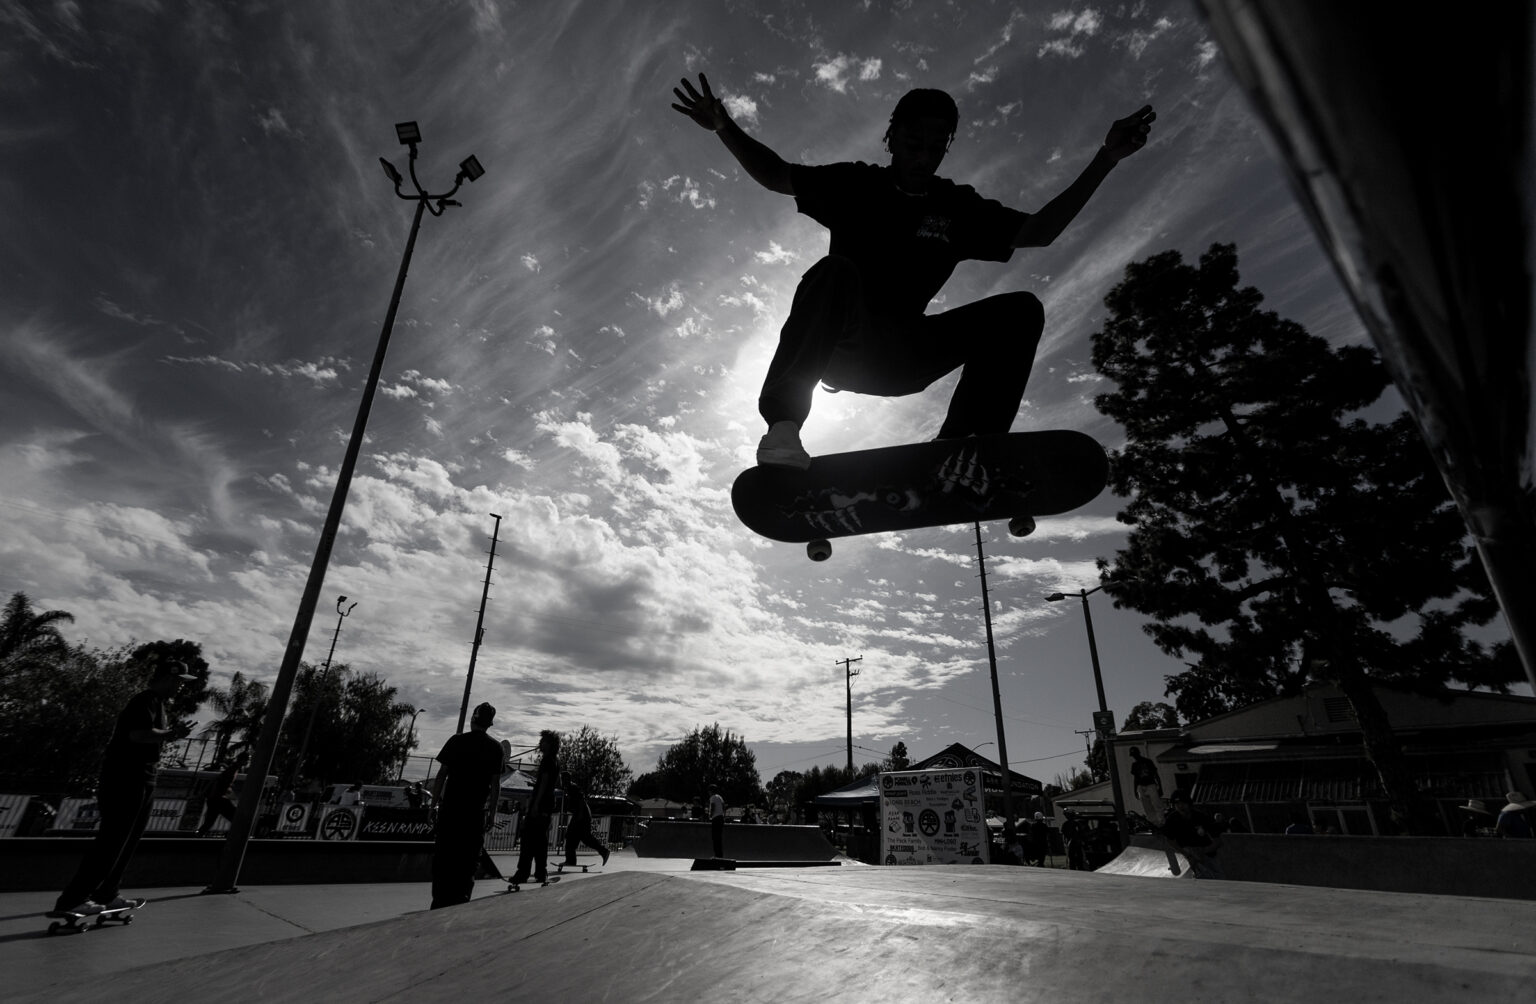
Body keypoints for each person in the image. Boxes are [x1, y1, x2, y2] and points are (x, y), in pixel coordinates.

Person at [671, 73, 1155, 469]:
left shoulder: (956, 207)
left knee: (1019, 311)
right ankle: (783, 430)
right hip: (845, 349)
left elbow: (1039, 230)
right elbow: (777, 174)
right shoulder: (856, 184)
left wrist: (1106, 158)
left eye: (935, 147)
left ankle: (963, 451)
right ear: (892, 137)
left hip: (904, 354)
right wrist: (724, 128)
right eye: (913, 142)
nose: (923, 157)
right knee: (834, 271)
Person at [52, 658, 196, 916]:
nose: (181, 688)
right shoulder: (145, 700)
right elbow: (136, 734)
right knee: (112, 839)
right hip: (125, 777)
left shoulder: (161, 705)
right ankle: (73, 898)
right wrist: (171, 734)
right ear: (167, 678)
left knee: (128, 841)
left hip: (145, 777)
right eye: (179, 683)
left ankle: (107, 893)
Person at [429, 702, 504, 909]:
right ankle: (461, 901)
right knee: (468, 861)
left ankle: (439, 901)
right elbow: (496, 785)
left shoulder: (456, 740)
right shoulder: (495, 748)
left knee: (445, 857)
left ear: (472, 718)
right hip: (474, 814)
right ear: (490, 724)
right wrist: (492, 814)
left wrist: (433, 804)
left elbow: (442, 775)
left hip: (450, 811)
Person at [510, 730, 561, 886]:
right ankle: (540, 872)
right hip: (547, 805)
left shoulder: (547, 760)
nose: (540, 744)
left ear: (550, 745)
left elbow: (545, 781)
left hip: (540, 805)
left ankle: (522, 873)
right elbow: (553, 783)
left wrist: (535, 804)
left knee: (528, 839)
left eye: (543, 741)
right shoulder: (556, 761)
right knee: (540, 841)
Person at [1161, 790, 1223, 879]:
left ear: (1189, 804)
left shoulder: (1200, 816)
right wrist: (1186, 854)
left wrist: (1203, 851)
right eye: (1177, 804)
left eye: (1183, 803)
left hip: (1207, 853)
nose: (1180, 807)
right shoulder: (1172, 819)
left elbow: (1218, 841)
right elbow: (1169, 840)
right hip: (1188, 853)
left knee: (1218, 877)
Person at [560, 774, 610, 869]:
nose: (560, 781)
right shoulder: (569, 787)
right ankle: (603, 851)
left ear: (565, 779)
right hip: (582, 815)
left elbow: (581, 801)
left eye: (561, 779)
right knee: (585, 838)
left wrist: (579, 817)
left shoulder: (572, 787)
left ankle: (571, 860)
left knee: (571, 836)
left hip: (581, 816)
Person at [196, 751, 248, 837]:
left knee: (209, 822)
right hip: (219, 799)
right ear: (242, 760)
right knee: (237, 819)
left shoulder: (233, 768)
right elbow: (220, 782)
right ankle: (232, 839)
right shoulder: (233, 769)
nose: (248, 762)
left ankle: (196, 837)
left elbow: (218, 781)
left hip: (214, 799)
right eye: (247, 760)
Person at [1128, 747, 1164, 825]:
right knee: (1147, 806)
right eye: (1133, 755)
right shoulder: (1134, 765)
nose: (1134, 756)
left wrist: (1160, 787)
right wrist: (1135, 790)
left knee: (1157, 804)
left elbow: (1156, 775)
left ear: (1138, 753)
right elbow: (1136, 778)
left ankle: (1162, 821)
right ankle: (1153, 823)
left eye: (1135, 754)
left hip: (1151, 784)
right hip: (1141, 786)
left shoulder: (1148, 761)